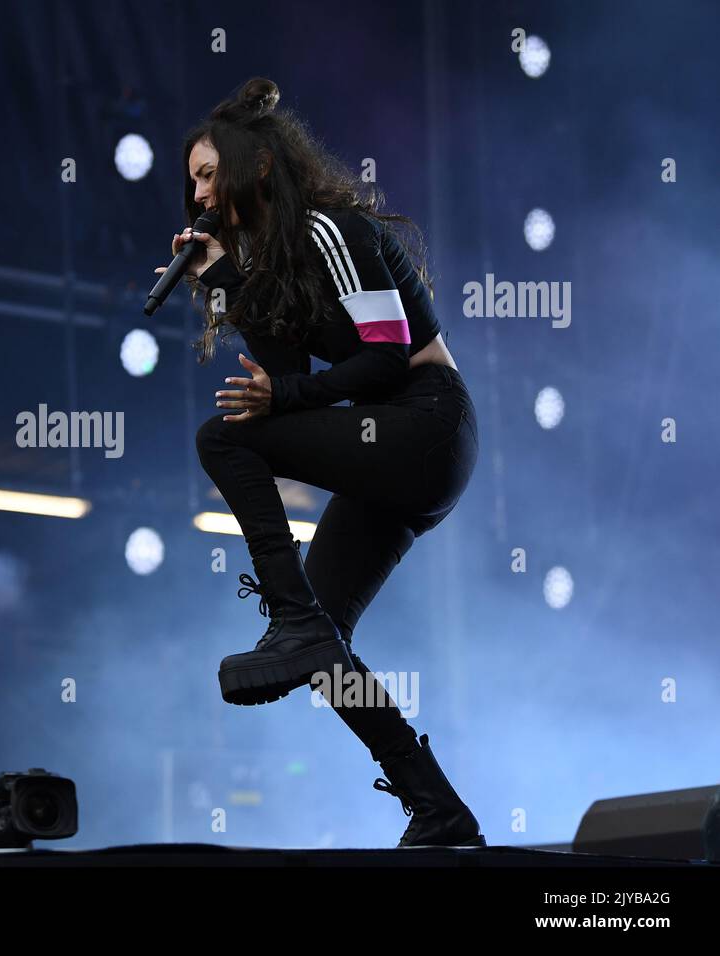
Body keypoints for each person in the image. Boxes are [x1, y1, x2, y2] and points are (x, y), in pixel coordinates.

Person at [157, 77, 484, 848]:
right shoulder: (271, 264)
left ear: (257, 168)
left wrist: (285, 395)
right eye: (192, 181)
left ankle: (291, 617)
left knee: (224, 437)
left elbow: (385, 358)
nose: (198, 193)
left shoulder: (331, 231)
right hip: (392, 448)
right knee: (326, 649)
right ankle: (439, 809)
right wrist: (226, 281)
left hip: (428, 423)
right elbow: (284, 378)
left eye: (209, 174)